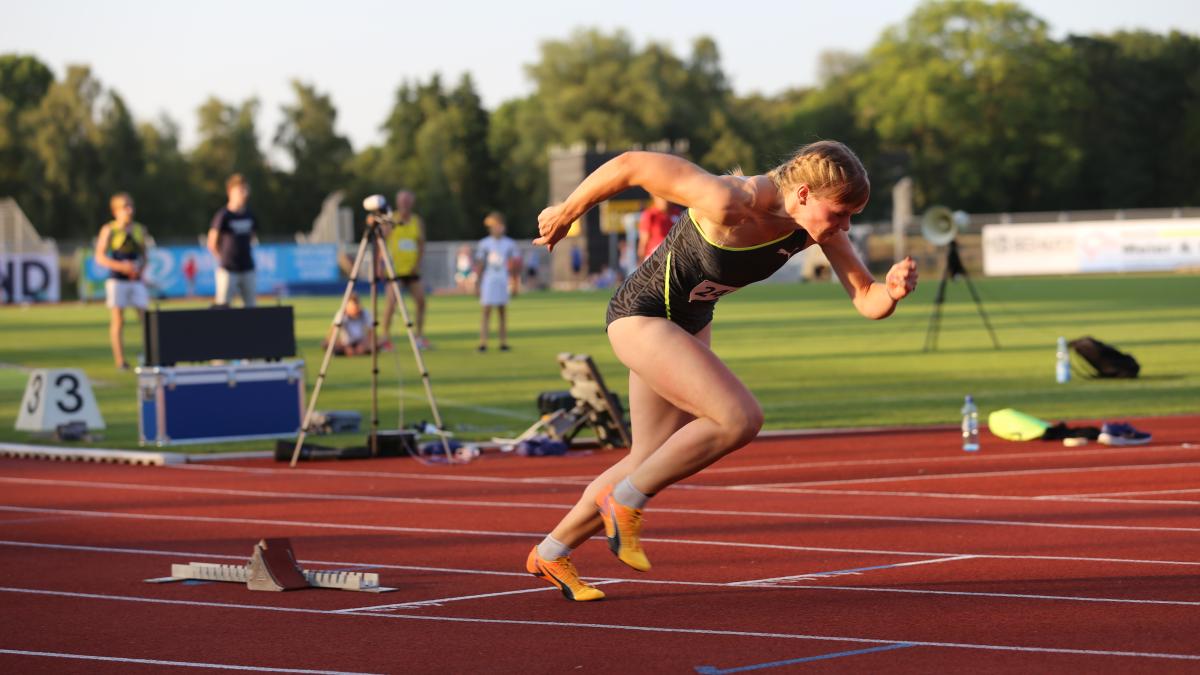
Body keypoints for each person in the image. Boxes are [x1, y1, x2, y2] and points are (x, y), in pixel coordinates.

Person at [524, 141, 918, 601]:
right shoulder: (730, 199)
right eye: (840, 213)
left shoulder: (816, 228)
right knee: (738, 418)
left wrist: (890, 292)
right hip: (642, 316)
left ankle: (552, 551)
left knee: (645, 459)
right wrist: (568, 211)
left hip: (688, 325)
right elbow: (631, 165)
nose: (844, 225)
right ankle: (627, 499)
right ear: (805, 193)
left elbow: (866, 298)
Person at [94, 192, 151, 370]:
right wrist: (121, 267)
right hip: (117, 281)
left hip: (136, 281)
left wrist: (139, 269)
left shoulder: (139, 230)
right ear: (116, 211)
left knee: (146, 318)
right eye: (125, 207)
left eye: (131, 206)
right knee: (118, 320)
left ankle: (150, 355)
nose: (130, 210)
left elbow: (145, 256)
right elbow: (100, 257)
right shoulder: (110, 230)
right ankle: (120, 361)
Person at [380, 190, 430, 350]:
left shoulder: (416, 221)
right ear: (397, 202)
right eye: (402, 201)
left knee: (421, 302)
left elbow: (421, 244)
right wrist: (380, 265)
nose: (405, 204)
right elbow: (381, 243)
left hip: (412, 270)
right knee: (391, 303)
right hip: (394, 270)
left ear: (412, 202)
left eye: (407, 201)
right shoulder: (390, 220)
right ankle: (385, 338)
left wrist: (418, 263)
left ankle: (419, 336)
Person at [207, 173, 258, 307]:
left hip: (247, 268)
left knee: (252, 308)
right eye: (241, 190)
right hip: (228, 269)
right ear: (231, 191)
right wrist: (223, 259)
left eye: (246, 189)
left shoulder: (249, 214)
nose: (244, 193)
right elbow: (211, 243)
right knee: (223, 307)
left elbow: (252, 236)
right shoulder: (223, 215)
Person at [474, 211, 520, 352]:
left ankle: (503, 342)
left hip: (502, 280)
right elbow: (481, 264)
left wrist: (514, 283)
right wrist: (477, 282)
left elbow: (513, 265)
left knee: (502, 311)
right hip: (489, 280)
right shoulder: (484, 244)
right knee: (486, 311)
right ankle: (483, 342)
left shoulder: (509, 244)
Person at [322, 292, 373, 356]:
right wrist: (345, 346)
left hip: (361, 341)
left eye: (357, 306)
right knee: (326, 344)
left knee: (377, 343)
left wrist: (364, 344)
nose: (355, 309)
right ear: (346, 306)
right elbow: (332, 334)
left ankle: (357, 351)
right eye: (352, 307)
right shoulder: (341, 314)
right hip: (345, 343)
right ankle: (346, 351)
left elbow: (371, 332)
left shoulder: (365, 313)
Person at [637, 194, 673, 262]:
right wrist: (640, 262)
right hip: (654, 259)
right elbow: (643, 242)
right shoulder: (650, 215)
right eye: (661, 198)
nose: (664, 200)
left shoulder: (677, 212)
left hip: (673, 257)